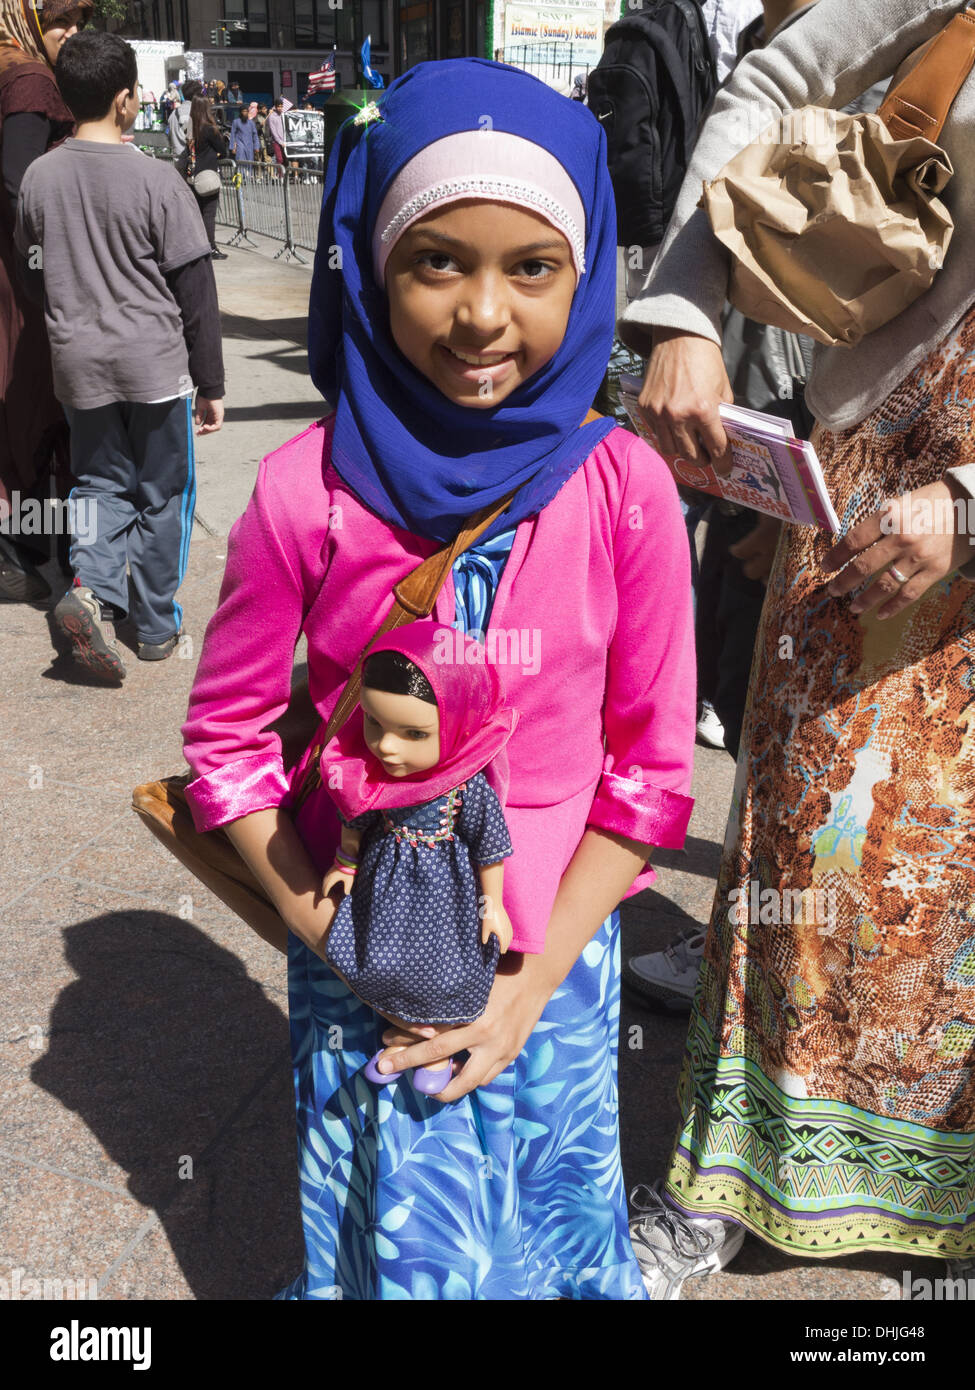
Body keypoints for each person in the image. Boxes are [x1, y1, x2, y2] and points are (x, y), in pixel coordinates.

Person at [180, 57, 696, 1300]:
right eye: (436, 262)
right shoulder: (309, 490)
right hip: (365, 975)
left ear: (588, 275)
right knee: (402, 1247)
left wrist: (527, 993)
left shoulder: (625, 491)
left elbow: (652, 776)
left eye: (532, 268)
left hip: (553, 980)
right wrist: (331, 934)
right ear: (366, 264)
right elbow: (229, 747)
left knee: (542, 1236)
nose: (481, 317)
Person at [624, 0, 975, 1297]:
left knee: (951, 880)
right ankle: (719, 1176)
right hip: (859, 467)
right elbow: (773, 76)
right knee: (798, 830)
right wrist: (683, 307)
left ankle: (935, 1210)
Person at [17, 32, 225, 682]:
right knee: (162, 494)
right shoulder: (157, 180)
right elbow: (195, 288)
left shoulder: (39, 177)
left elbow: (32, 268)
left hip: (80, 369)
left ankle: (91, 588)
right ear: (127, 99)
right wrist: (211, 382)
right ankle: (156, 626)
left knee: (99, 485)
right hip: (154, 369)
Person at [320, 627, 516, 1095]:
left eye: (414, 733)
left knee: (448, 972)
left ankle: (423, 1049)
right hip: (387, 895)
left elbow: (490, 847)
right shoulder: (375, 778)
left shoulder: (467, 791)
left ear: (458, 726)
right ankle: (414, 1044)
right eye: (373, 723)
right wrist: (345, 864)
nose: (387, 747)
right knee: (386, 961)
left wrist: (495, 905)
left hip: (447, 901)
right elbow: (356, 819)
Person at [0, 0, 90, 603]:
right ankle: (22, 553)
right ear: (26, 17)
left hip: (14, 266)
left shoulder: (14, 68)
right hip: (22, 274)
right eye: (60, 19)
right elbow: (18, 181)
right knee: (30, 403)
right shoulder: (30, 78)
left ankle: (28, 548)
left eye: (79, 19)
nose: (73, 32)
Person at [186, 93, 228, 259]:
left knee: (197, 213)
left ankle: (197, 245)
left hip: (193, 176)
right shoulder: (209, 129)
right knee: (209, 214)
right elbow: (222, 150)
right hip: (208, 175)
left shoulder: (191, 130)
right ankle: (210, 247)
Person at [167, 75, 199, 158]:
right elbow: (190, 137)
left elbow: (169, 136)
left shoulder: (174, 113)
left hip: (177, 158)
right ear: (196, 96)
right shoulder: (188, 112)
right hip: (188, 160)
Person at [229, 101, 259, 167]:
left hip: (249, 146)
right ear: (240, 112)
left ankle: (248, 177)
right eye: (243, 111)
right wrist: (233, 147)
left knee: (249, 163)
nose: (245, 113)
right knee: (240, 163)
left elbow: (255, 135)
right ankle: (241, 177)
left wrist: (256, 146)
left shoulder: (251, 123)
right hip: (240, 146)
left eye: (246, 111)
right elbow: (232, 135)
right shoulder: (236, 122)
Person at [266, 95, 286, 169]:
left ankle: (284, 177)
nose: (280, 108)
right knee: (279, 159)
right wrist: (280, 142)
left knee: (285, 160)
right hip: (276, 142)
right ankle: (280, 176)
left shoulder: (283, 115)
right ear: (275, 106)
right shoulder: (272, 116)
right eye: (278, 106)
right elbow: (273, 132)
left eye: (281, 106)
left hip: (285, 141)